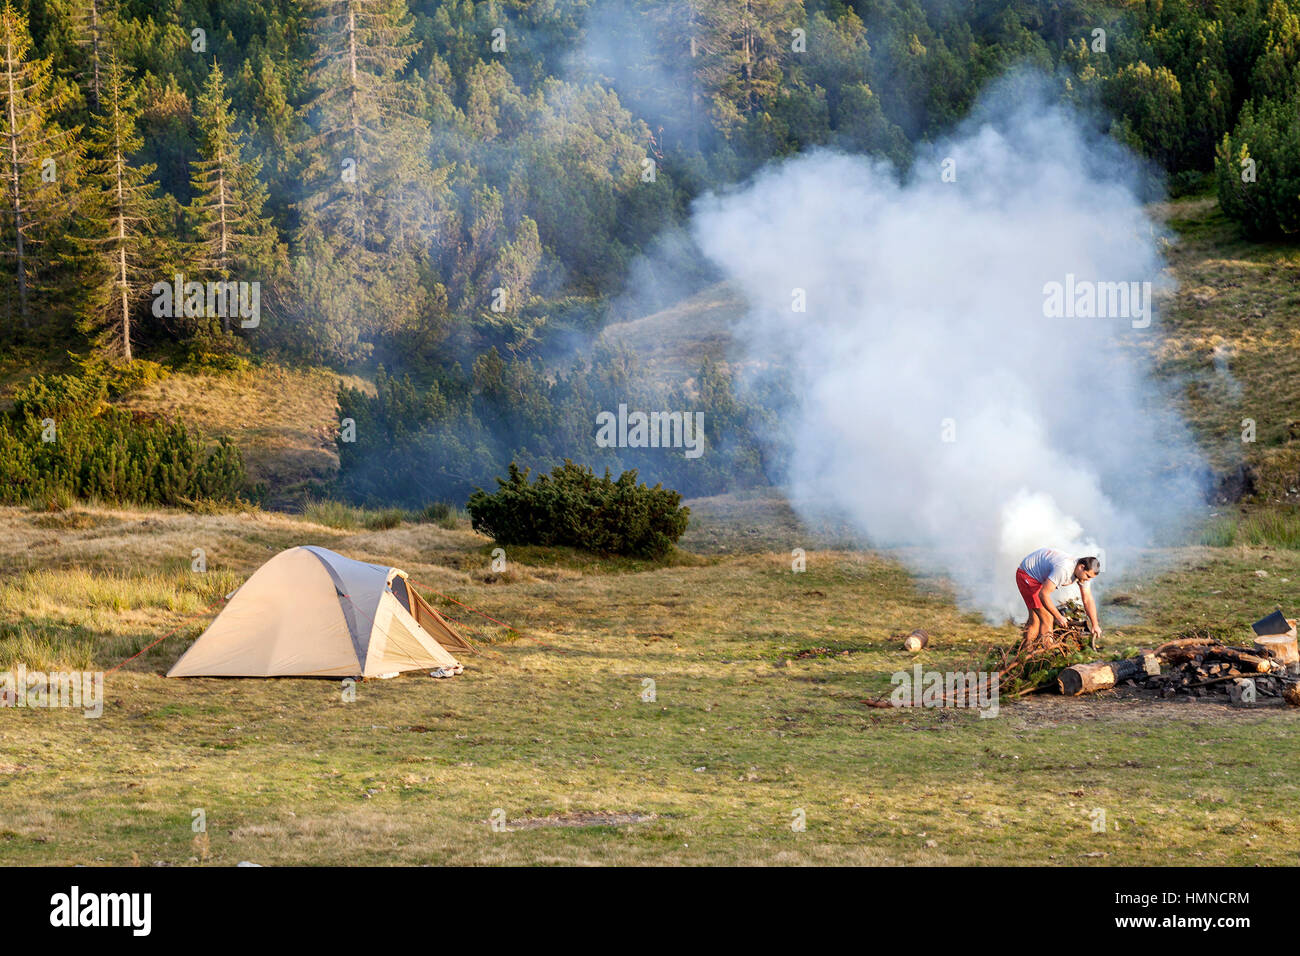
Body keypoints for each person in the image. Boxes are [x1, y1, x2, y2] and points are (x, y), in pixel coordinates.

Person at [1015, 548, 1101, 645]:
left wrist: (1095, 624)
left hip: (1036, 577)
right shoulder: (1064, 569)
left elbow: (1088, 600)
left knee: (1035, 618)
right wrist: (1058, 616)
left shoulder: (1083, 575)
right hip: (1027, 575)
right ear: (1081, 567)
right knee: (1048, 618)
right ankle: (1046, 653)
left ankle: (1026, 651)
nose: (1087, 580)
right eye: (1088, 576)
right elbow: (1043, 594)